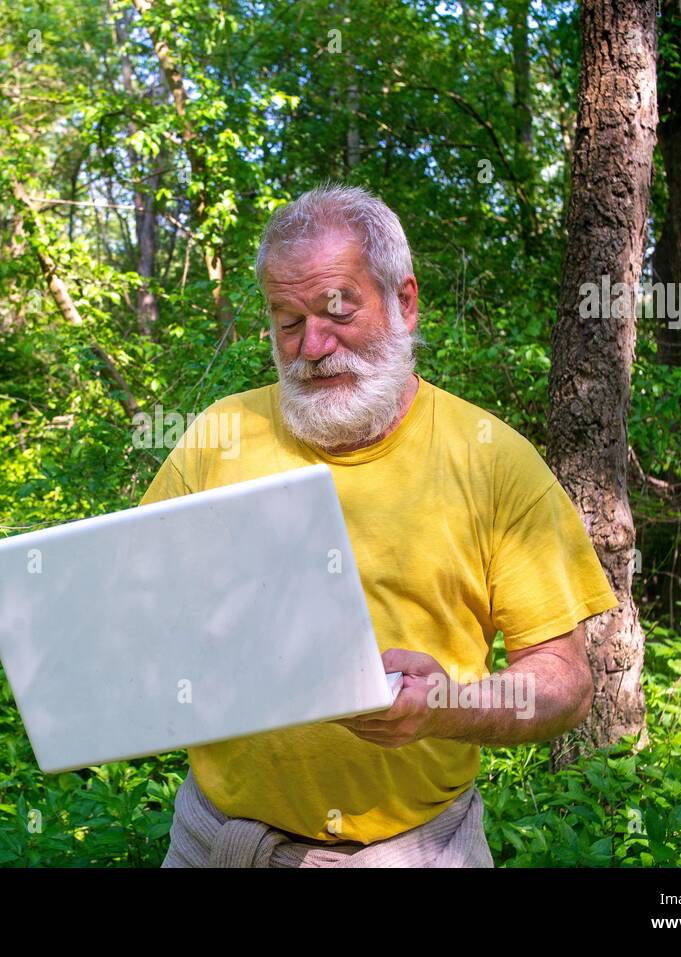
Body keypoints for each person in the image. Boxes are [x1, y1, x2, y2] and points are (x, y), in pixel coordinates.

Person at [139, 183, 619, 868]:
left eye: (338, 307)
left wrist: (446, 704)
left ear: (406, 300)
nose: (312, 344)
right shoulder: (221, 434)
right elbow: (138, 604)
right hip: (218, 843)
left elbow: (566, 683)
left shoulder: (493, 460)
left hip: (415, 853)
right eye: (286, 320)